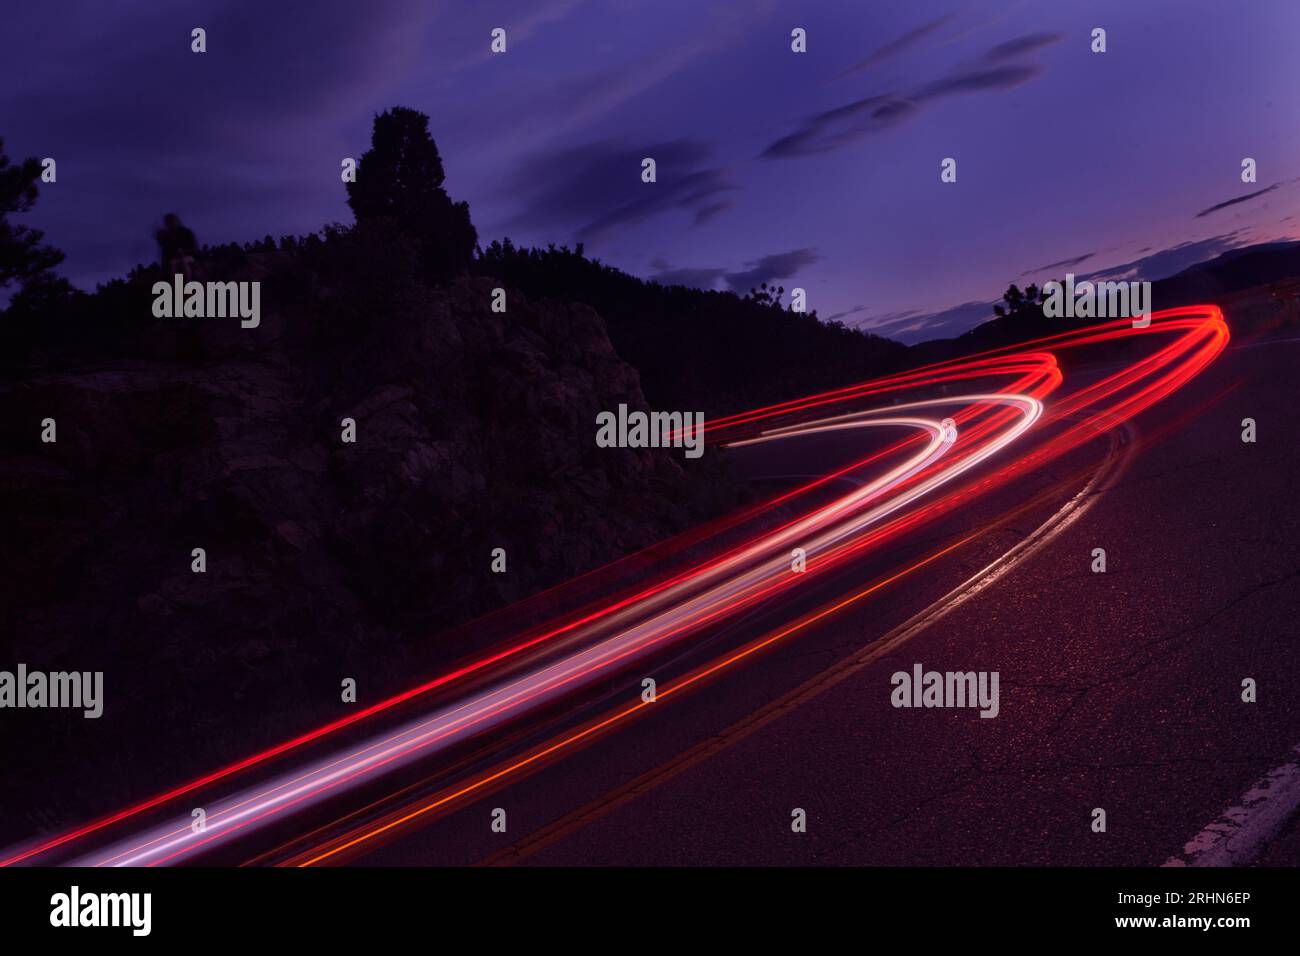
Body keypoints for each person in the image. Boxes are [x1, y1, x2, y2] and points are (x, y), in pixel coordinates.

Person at [156, 213, 197, 281]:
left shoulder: (186, 232)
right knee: (173, 264)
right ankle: (178, 288)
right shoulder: (168, 236)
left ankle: (188, 284)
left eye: (172, 221)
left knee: (183, 262)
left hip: (188, 256)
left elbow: (194, 247)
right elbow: (166, 252)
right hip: (175, 259)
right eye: (168, 223)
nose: (170, 224)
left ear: (176, 221)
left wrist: (184, 251)